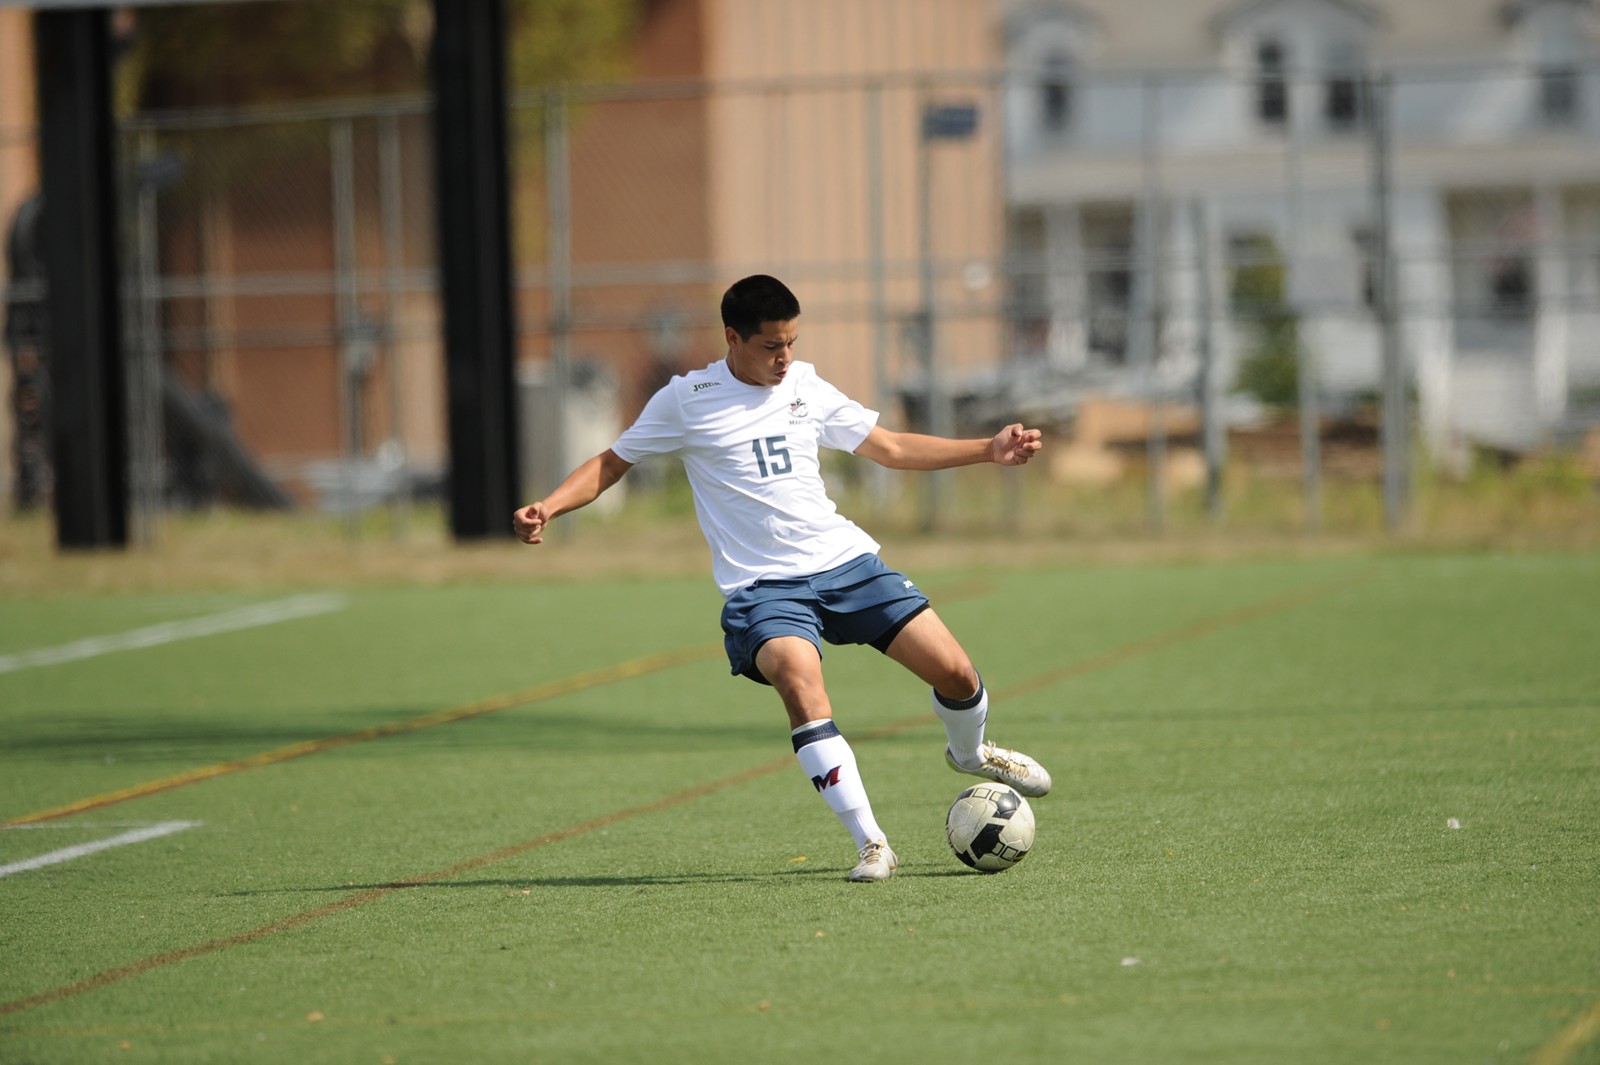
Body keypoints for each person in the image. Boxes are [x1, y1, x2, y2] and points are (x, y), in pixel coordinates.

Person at [513, 274, 1050, 882]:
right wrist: (550, 505)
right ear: (732, 339)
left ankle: (971, 752)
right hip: (765, 588)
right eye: (772, 346)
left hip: (845, 563)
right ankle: (872, 843)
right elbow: (611, 463)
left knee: (956, 673)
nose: (785, 357)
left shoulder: (806, 385)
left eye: (792, 342)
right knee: (799, 681)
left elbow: (891, 448)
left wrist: (988, 449)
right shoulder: (686, 398)